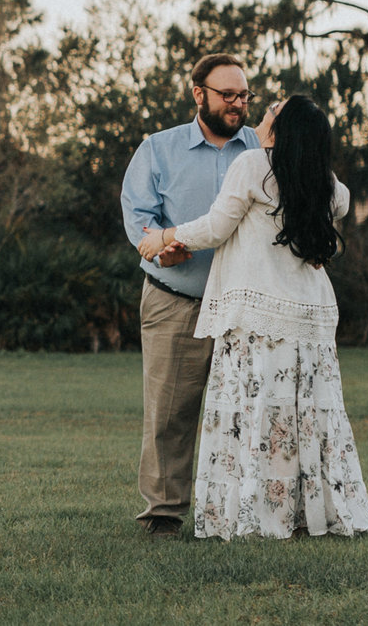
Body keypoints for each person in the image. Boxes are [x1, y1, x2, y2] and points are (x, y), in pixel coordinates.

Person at [139, 95, 368, 540]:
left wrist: (164, 237)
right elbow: (343, 203)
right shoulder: (323, 182)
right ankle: (304, 513)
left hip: (259, 317)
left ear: (282, 128)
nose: (264, 115)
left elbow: (215, 227)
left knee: (254, 418)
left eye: (272, 111)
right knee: (302, 418)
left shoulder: (253, 165)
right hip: (310, 320)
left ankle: (257, 513)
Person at [119, 53, 262, 538]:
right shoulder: (158, 149)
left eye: (244, 95)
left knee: (250, 410)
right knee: (170, 410)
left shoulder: (261, 154)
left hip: (244, 304)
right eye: (228, 95)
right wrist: (161, 251)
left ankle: (246, 510)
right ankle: (164, 514)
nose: (238, 104)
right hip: (175, 298)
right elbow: (139, 215)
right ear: (198, 94)